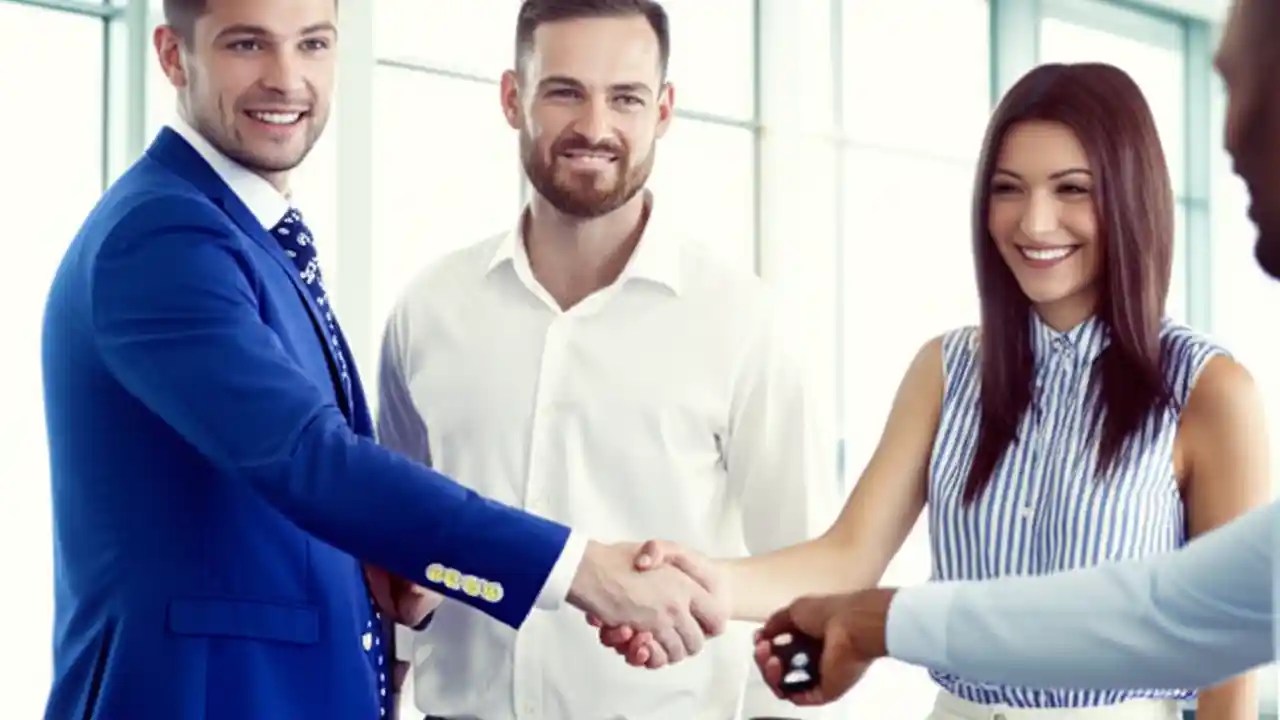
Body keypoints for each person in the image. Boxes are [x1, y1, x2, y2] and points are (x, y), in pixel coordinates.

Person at [38, 1, 725, 718]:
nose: (287, 78)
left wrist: (387, 572)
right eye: (247, 45)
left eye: (313, 44)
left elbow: (274, 501)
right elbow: (308, 458)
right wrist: (583, 570)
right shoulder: (162, 237)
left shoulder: (246, 234)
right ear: (174, 57)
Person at [598, 61, 1272, 719]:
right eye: (1008, 189)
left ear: (1131, 196)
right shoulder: (947, 370)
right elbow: (848, 557)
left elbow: (1228, 667)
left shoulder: (1208, 391)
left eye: (1072, 189)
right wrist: (703, 581)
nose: (1034, 224)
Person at [375, 1, 832, 718]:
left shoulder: (742, 321)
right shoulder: (429, 311)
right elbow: (394, 545)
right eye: (564, 92)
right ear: (511, 97)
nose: (595, 127)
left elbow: (808, 572)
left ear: (664, 109)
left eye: (625, 97)